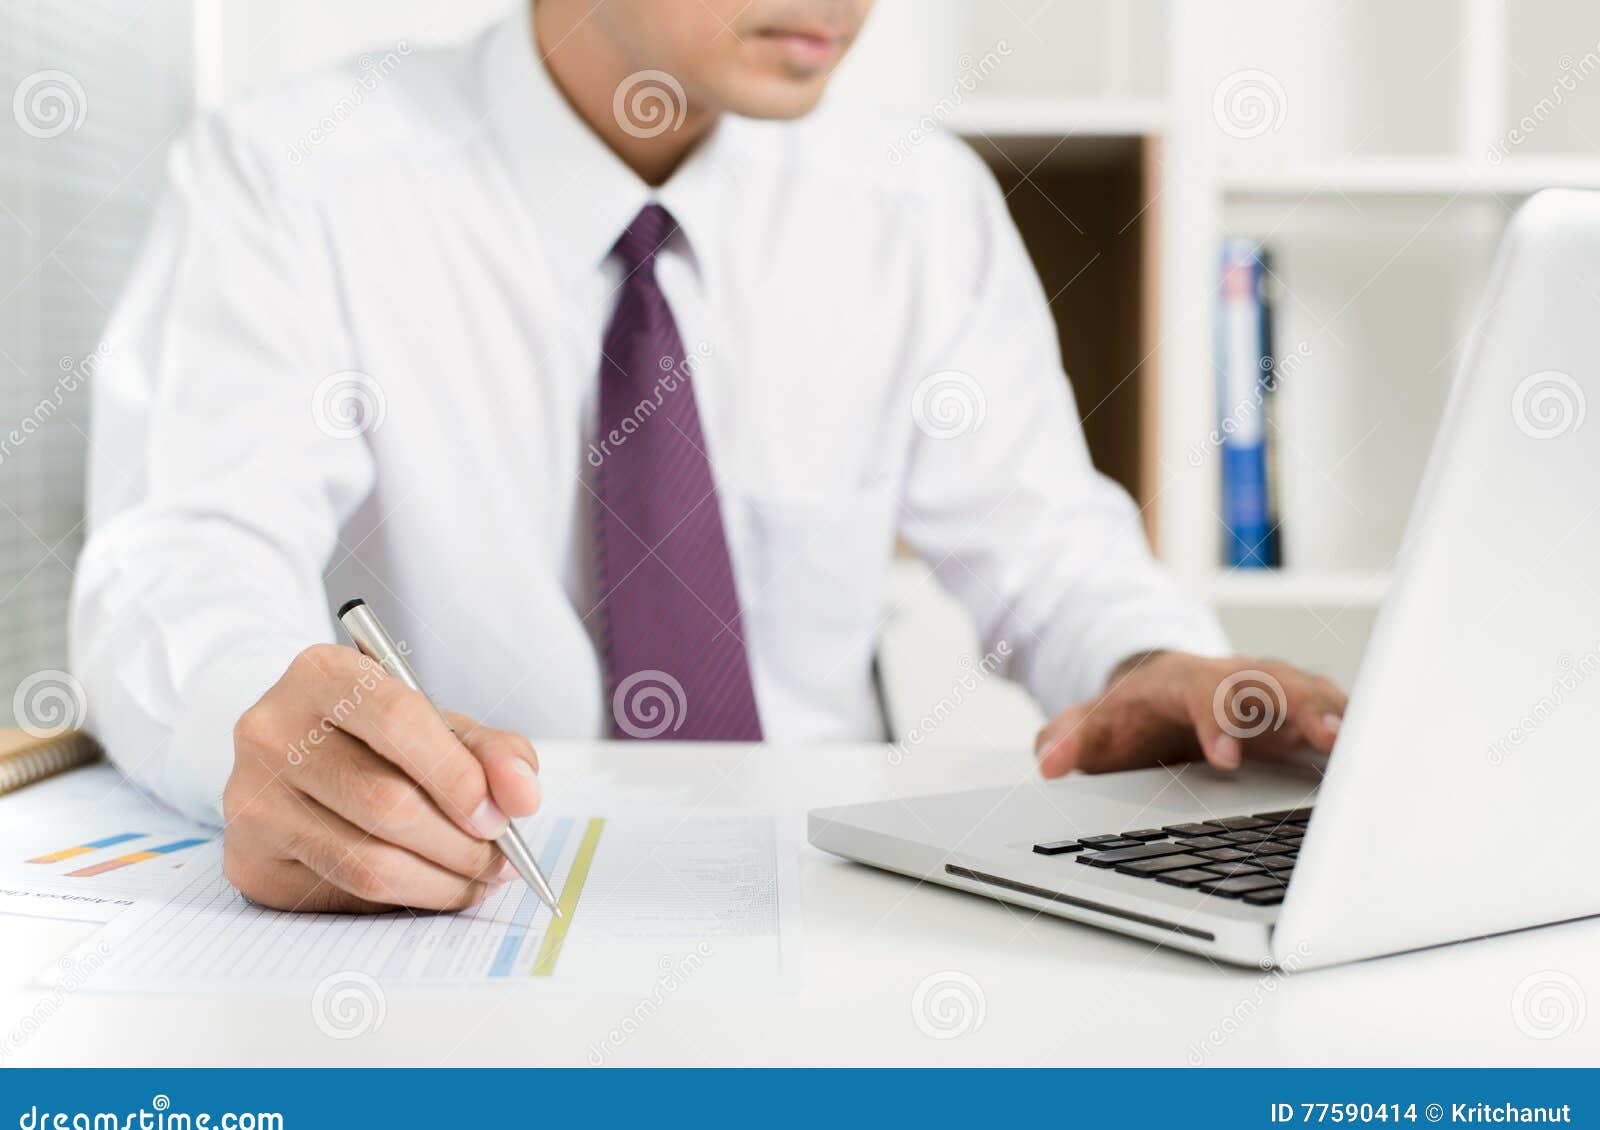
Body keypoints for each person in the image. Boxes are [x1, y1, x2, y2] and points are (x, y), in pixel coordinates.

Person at [70, 0, 1346, 914]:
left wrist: (1150, 661)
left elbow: (1046, 543)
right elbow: (188, 550)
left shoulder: (918, 203)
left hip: (836, 899)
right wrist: (257, 711)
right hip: (468, 900)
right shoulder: (291, 174)